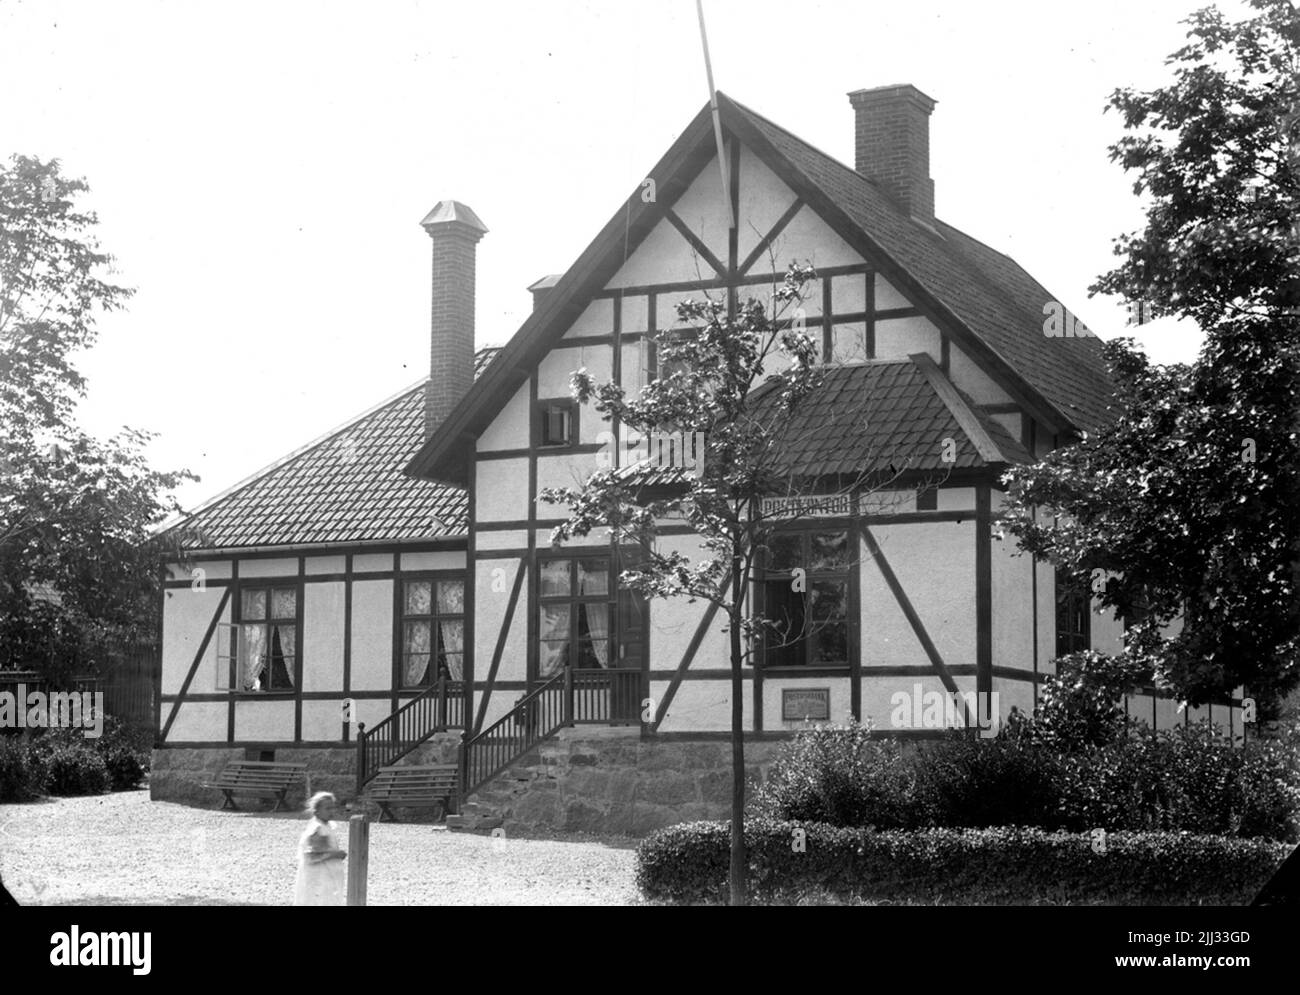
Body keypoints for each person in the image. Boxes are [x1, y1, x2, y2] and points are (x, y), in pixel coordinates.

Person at [293, 792, 347, 906]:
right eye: (327, 808)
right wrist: (335, 854)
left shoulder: (326, 826)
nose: (332, 811)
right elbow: (311, 855)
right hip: (319, 876)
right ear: (316, 811)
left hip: (326, 874)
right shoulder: (317, 829)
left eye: (333, 808)